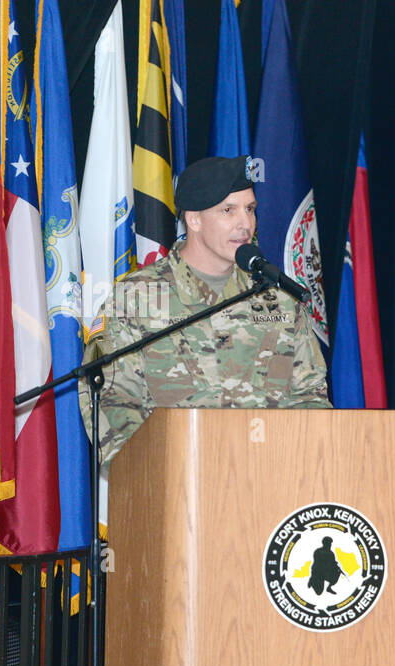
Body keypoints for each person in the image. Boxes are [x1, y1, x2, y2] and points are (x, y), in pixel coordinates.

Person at [80, 154, 329, 465]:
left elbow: (309, 398)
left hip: (269, 484)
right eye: (228, 210)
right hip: (173, 486)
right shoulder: (136, 298)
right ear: (194, 220)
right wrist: (155, 468)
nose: (245, 223)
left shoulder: (277, 299)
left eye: (250, 209)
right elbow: (110, 399)